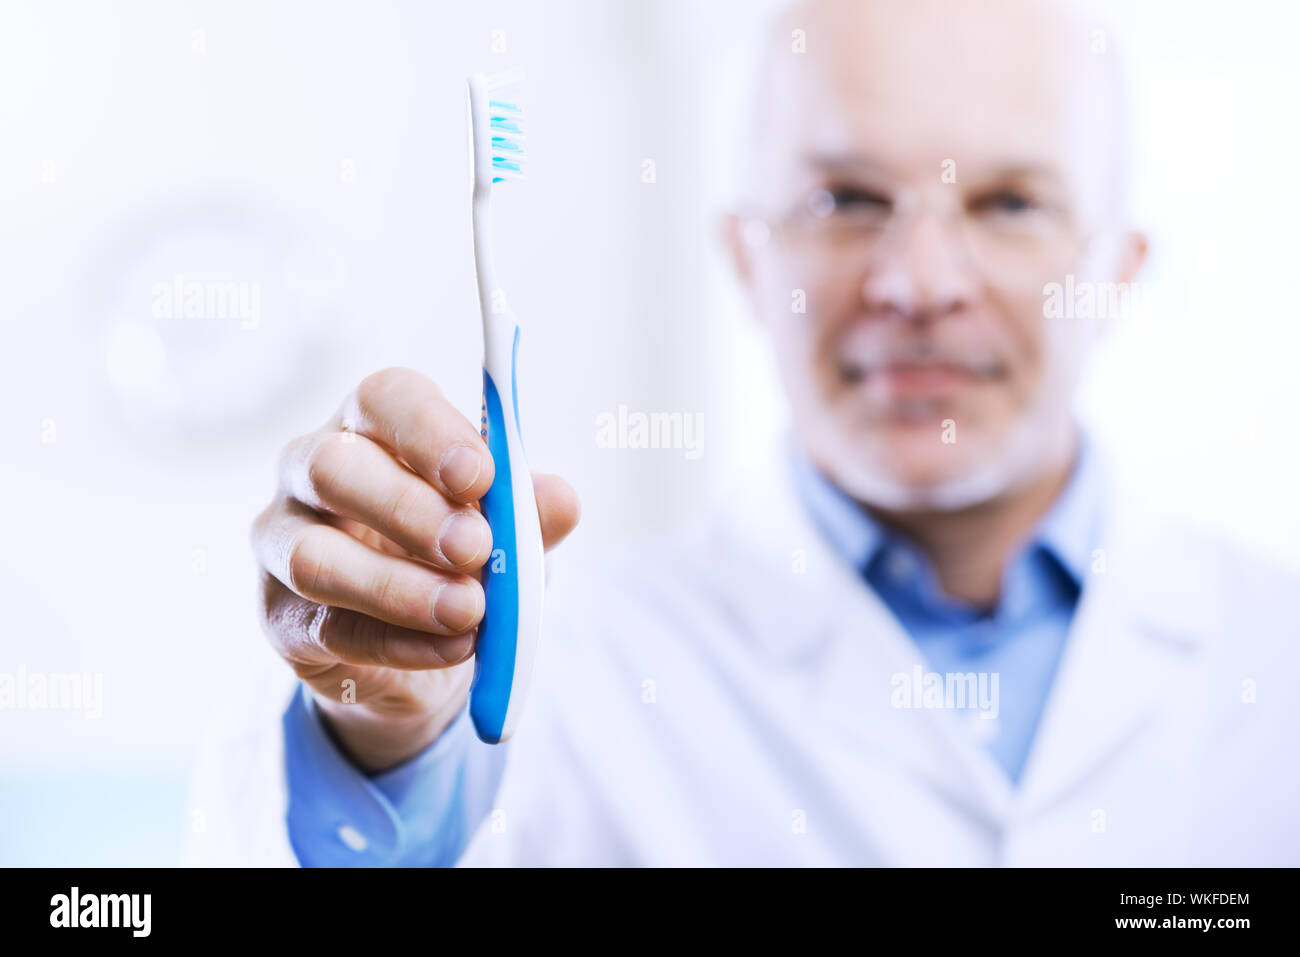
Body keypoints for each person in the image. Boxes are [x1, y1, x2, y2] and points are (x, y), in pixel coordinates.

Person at [187, 0, 1300, 866]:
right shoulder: (563, 666)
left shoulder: (1273, 660)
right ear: (744, 259)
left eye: (1008, 204)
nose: (918, 283)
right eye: (845, 201)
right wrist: (377, 730)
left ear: (1116, 271)